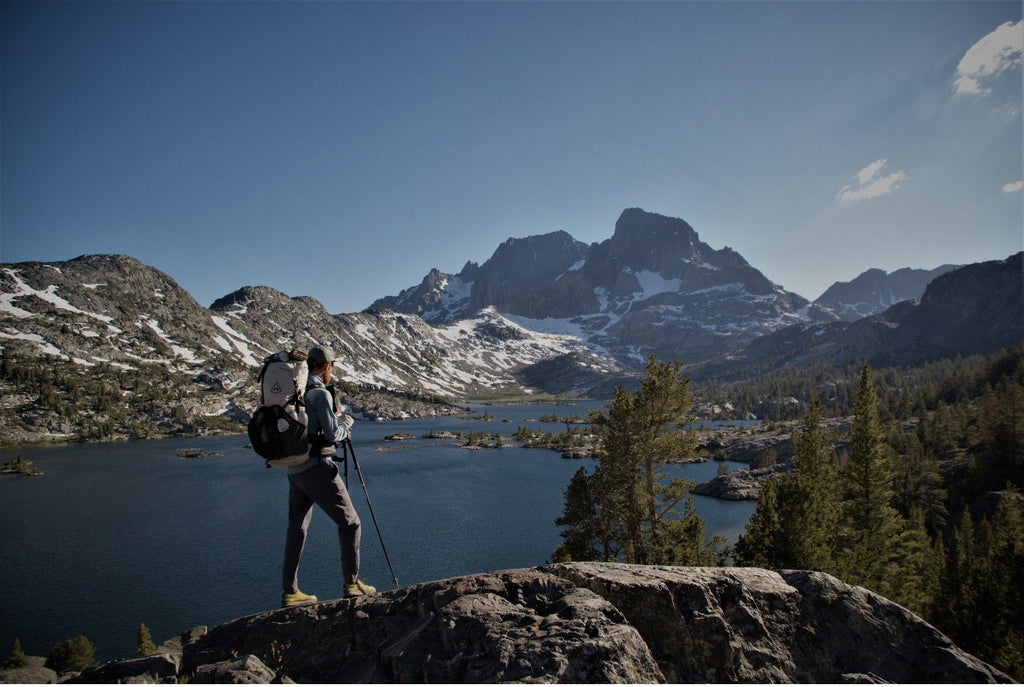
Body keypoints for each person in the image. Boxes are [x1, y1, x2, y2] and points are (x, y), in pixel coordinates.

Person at [280, 344, 376, 607]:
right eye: (331, 366)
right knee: (350, 523)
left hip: (295, 468)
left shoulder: (297, 390)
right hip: (317, 467)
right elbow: (333, 434)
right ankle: (352, 584)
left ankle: (290, 592)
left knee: (296, 528)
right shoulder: (320, 394)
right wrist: (347, 424)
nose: (331, 371)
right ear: (325, 367)